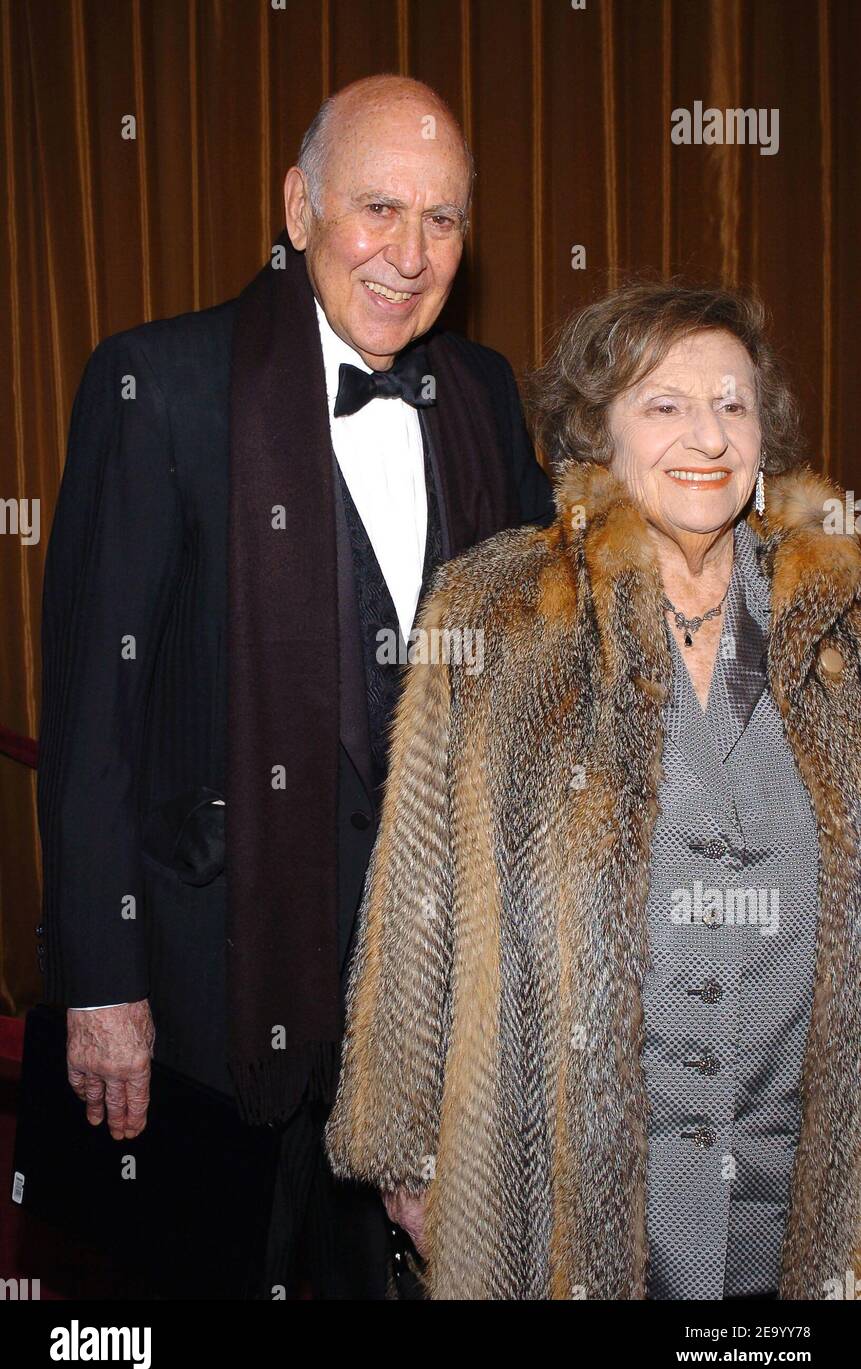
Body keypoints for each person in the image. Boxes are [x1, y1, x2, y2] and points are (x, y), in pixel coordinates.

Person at [37, 73, 552, 1299]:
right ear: (298, 204)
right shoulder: (154, 386)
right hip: (212, 989)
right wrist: (103, 985)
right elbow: (92, 721)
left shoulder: (479, 395)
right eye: (380, 208)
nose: (411, 255)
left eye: (443, 220)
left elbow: (542, 652)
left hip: (415, 997)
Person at [325, 281, 861, 1299]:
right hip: (565, 1192)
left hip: (802, 1199)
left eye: (732, 405)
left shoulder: (845, 619)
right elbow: (416, 895)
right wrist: (406, 1145)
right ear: (596, 435)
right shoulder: (497, 614)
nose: (706, 434)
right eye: (664, 405)